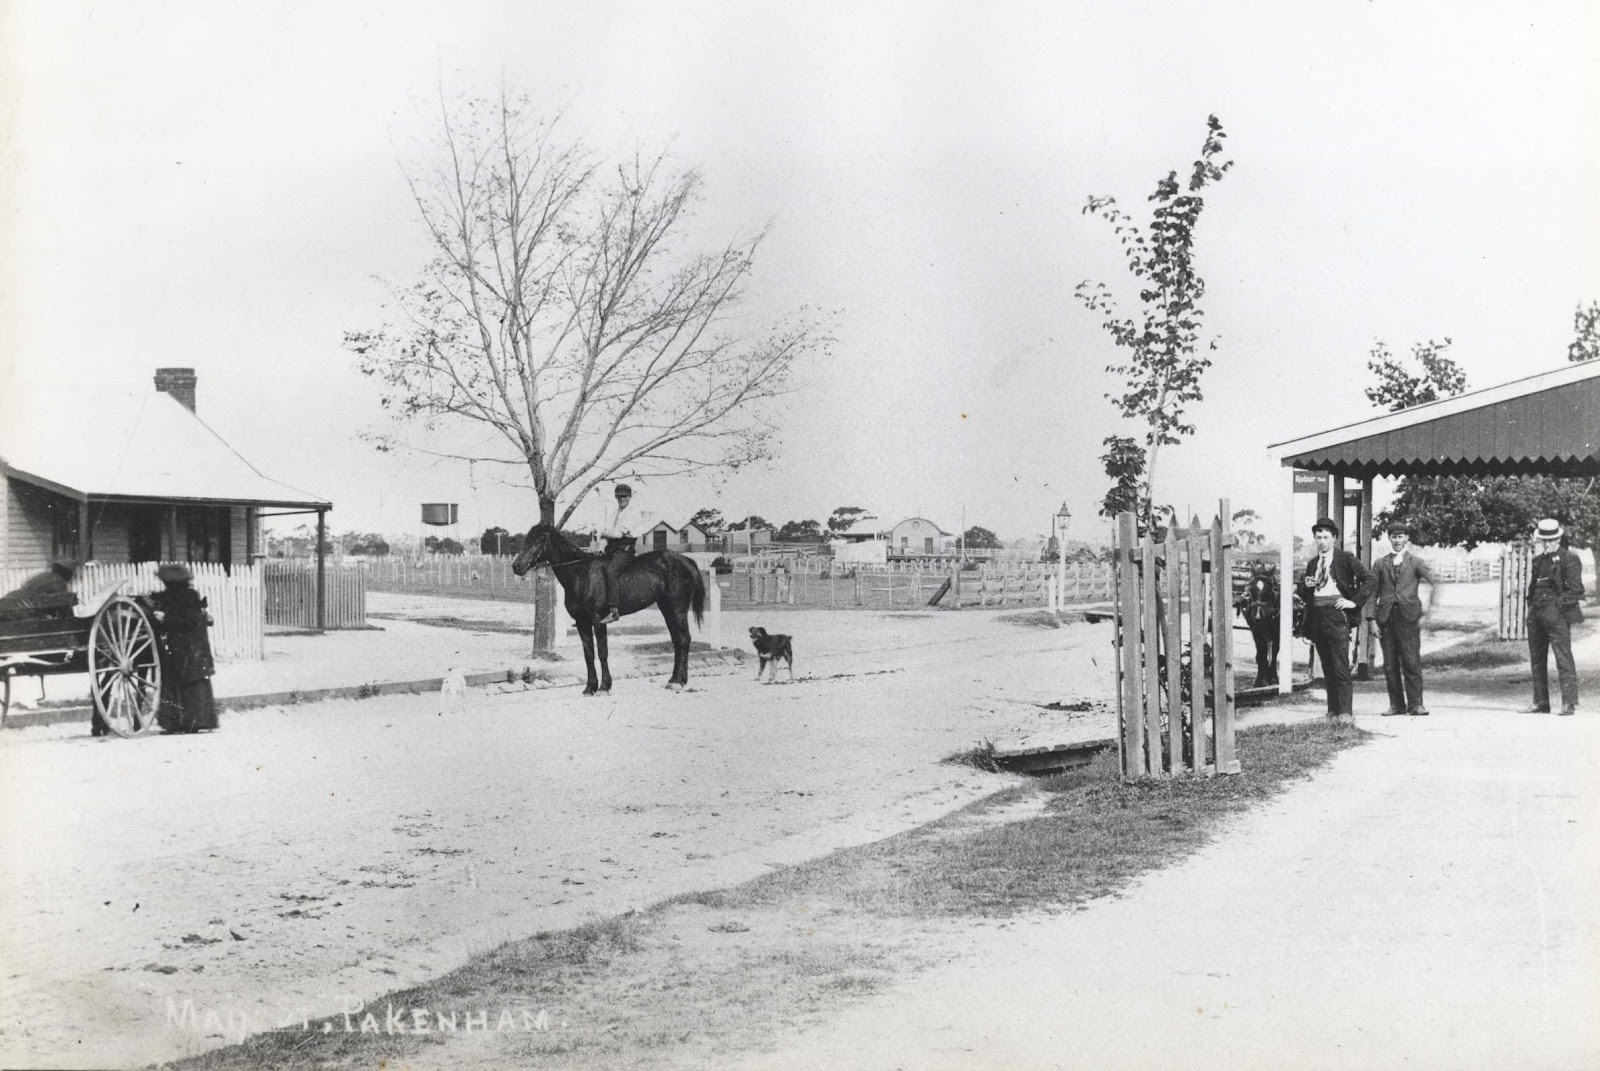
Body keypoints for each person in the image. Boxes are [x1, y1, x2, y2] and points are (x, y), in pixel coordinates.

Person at [1300, 517, 1375, 719]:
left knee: (1340, 665)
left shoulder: (1345, 558)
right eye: (1318, 537)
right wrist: (1305, 586)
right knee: (1327, 666)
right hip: (1317, 616)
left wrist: (1354, 602)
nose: (1322, 541)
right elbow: (1303, 592)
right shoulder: (1312, 563)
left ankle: (1345, 712)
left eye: (1326, 537)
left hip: (1337, 616)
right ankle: (1332, 711)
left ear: (1334, 538)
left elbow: (1370, 579)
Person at [1371, 522, 1438, 717]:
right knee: (1390, 664)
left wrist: (1427, 609)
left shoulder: (1415, 562)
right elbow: (1371, 593)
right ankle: (1396, 705)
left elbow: (1435, 583)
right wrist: (1371, 620)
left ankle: (1416, 704)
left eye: (1401, 536)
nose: (1397, 540)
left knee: (1411, 661)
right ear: (1389, 539)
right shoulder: (1380, 563)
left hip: (1408, 618)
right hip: (1386, 618)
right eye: (1394, 536)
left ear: (1407, 539)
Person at [1522, 518, 1584, 716]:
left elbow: (1576, 590)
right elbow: (1532, 588)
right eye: (1544, 541)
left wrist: (1557, 607)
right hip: (1536, 616)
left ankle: (1568, 703)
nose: (1547, 544)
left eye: (1551, 540)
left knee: (1563, 657)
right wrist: (1531, 607)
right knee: (1537, 660)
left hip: (1556, 617)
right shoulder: (1537, 561)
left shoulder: (1569, 559)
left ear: (1558, 539)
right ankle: (1541, 702)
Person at [150, 563, 219, 733]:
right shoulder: (172, 595)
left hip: (191, 647)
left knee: (191, 683)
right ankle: (174, 723)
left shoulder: (189, 597)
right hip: (178, 647)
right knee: (173, 682)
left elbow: (190, 622)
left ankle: (194, 723)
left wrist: (166, 618)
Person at [591, 483, 642, 624]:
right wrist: (601, 545)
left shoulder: (632, 512)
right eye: (618, 496)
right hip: (612, 549)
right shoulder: (616, 512)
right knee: (595, 567)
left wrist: (601, 531)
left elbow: (618, 535)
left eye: (624, 496)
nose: (621, 499)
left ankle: (613, 610)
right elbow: (608, 534)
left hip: (625, 551)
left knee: (611, 570)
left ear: (630, 496)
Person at [0, 561, 76, 614]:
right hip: (24, 608)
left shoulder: (41, 576)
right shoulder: (59, 583)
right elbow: (59, 604)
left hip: (12, 599)